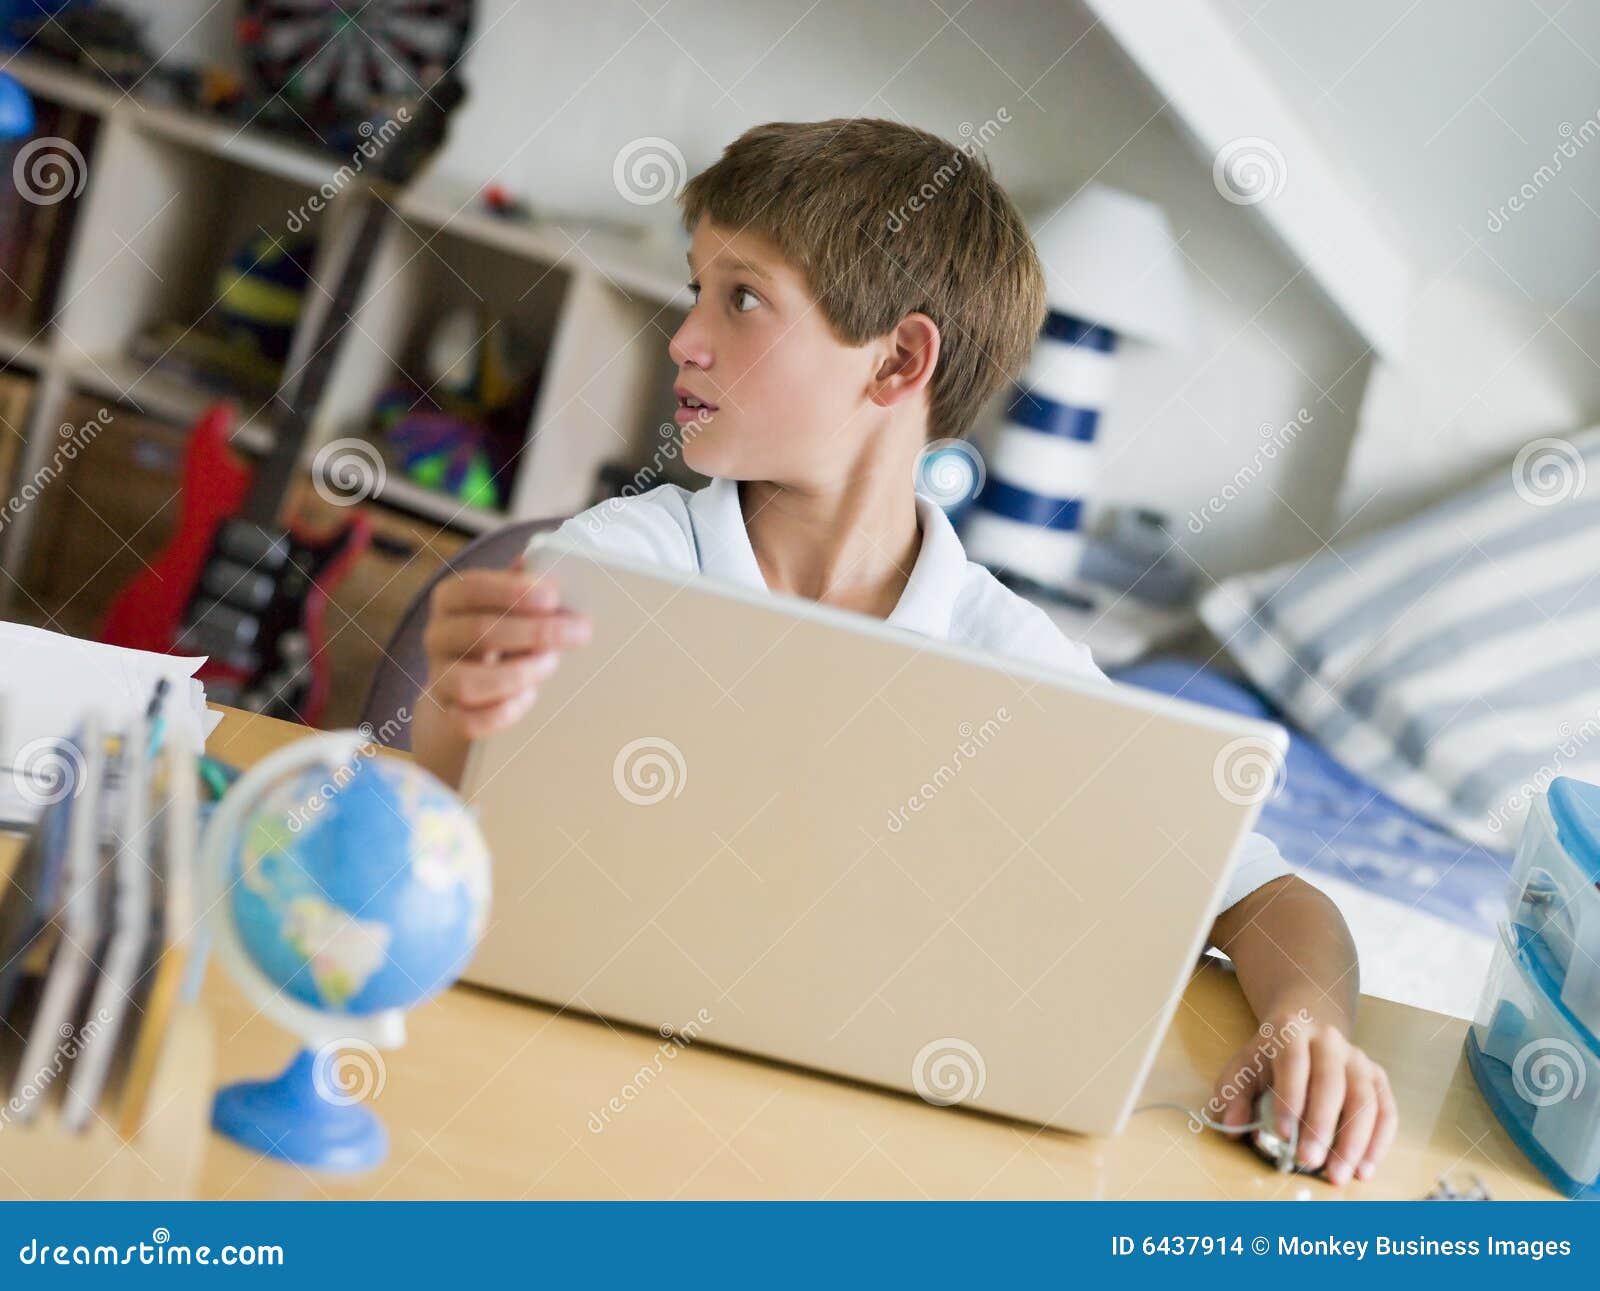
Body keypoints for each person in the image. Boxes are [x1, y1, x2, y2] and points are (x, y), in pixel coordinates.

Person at [411, 118, 1396, 1185]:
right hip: (557, 1087)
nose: (684, 337)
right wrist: (454, 711)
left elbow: (1270, 898)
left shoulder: (1015, 661)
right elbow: (451, 814)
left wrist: (1306, 1019)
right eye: (697, 289)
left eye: (740, 298)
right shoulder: (620, 564)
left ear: (897, 360)